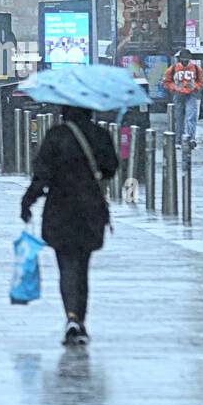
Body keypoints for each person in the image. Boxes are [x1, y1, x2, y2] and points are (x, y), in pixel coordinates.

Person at [20, 105, 120, 346]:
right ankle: (80, 320)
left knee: (67, 266)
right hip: (90, 210)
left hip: (60, 209)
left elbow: (41, 174)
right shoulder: (99, 135)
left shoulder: (57, 136)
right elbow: (111, 167)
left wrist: (27, 202)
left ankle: (71, 317)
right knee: (82, 267)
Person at [162, 48, 203, 142]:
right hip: (178, 94)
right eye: (183, 58)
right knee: (178, 118)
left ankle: (189, 138)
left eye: (187, 58)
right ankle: (179, 139)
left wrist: (194, 86)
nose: (185, 60)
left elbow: (201, 81)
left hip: (191, 94)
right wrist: (175, 87)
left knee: (190, 117)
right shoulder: (173, 69)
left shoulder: (196, 69)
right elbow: (166, 82)